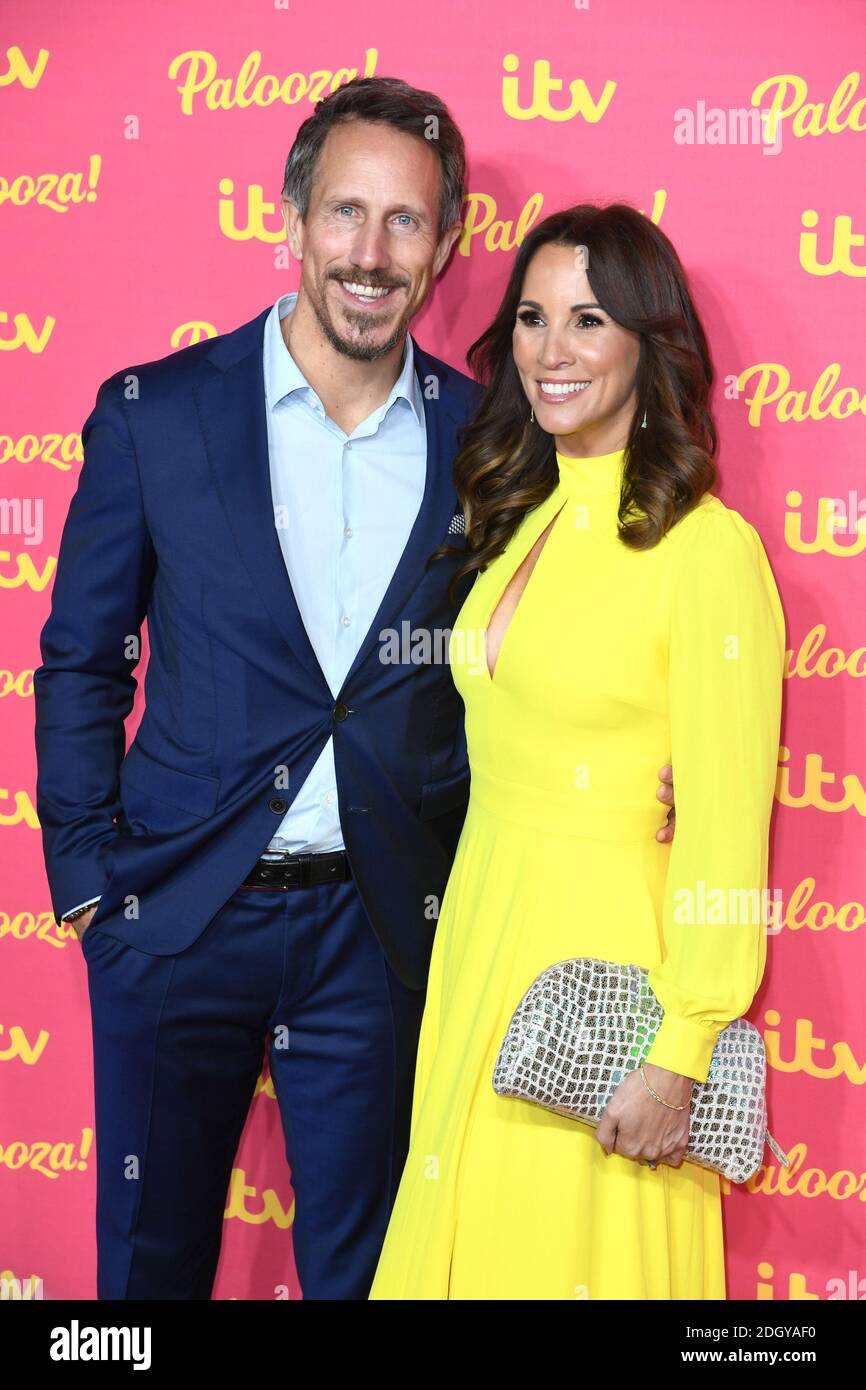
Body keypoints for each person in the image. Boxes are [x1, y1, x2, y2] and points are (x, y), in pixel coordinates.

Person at [33, 79, 675, 1301]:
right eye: (345, 213)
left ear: (442, 246)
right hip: (176, 916)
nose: (370, 254)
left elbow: (545, 625)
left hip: (381, 933)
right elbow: (79, 658)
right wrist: (85, 879)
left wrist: (648, 748)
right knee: (145, 1274)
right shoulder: (154, 414)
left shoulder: (488, 436)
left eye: (404, 222)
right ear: (290, 219)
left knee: (368, 1275)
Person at [369, 203, 786, 1300]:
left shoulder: (704, 550)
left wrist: (681, 1046)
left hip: (607, 976)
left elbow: (727, 822)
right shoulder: (515, 515)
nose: (550, 352)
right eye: (531, 317)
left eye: (588, 319)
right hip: (483, 935)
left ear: (650, 344)